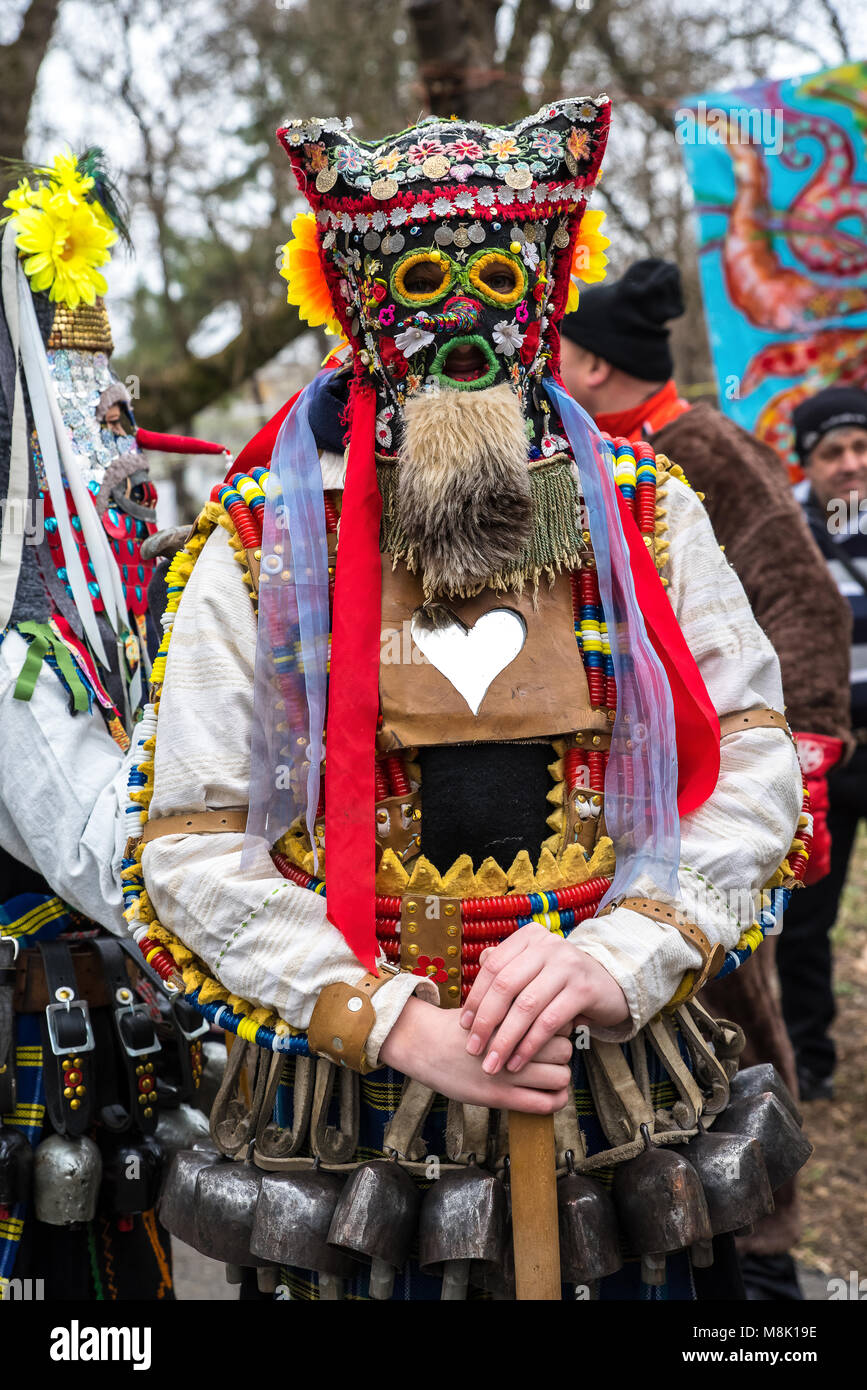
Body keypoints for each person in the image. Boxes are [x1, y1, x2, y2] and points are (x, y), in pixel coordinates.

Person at [131, 99, 804, 1301]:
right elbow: (187, 839)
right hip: (360, 1106)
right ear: (353, 293)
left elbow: (754, 759)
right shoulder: (262, 546)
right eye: (422, 277)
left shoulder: (646, 512)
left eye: (495, 273)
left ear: (546, 289)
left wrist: (623, 957)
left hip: (611, 1083)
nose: (461, 323)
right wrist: (395, 1021)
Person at [559, 258, 852, 1298]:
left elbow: (804, 602)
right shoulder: (593, 452)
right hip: (627, 803)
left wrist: (799, 766)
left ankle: (760, 1263)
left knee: (729, 1012)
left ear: (591, 362)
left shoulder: (699, 453)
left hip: (712, 796)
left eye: (558, 342)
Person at [0, 151, 223, 1298]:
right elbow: (115, 857)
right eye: (89, 418)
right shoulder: (17, 646)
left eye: (119, 409)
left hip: (106, 1041)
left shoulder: (84, 616)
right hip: (33, 1042)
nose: (124, 455)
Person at [777, 387, 867, 1102]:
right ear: (806, 461)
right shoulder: (786, 535)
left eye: (861, 447)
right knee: (805, 915)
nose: (849, 463)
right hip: (822, 759)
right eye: (831, 451)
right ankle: (808, 1056)